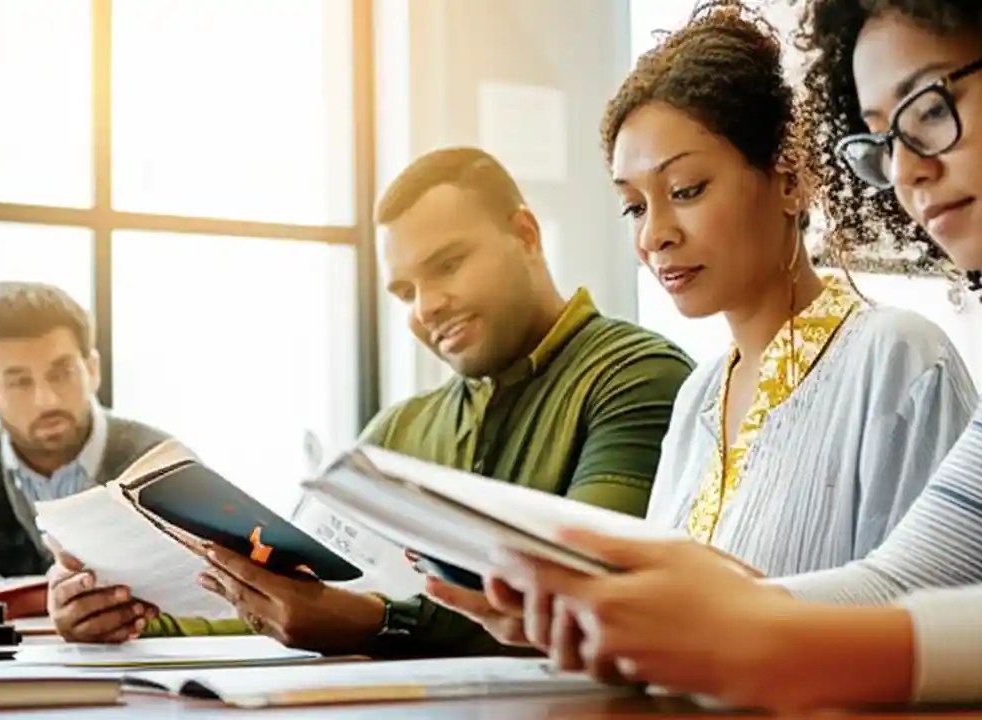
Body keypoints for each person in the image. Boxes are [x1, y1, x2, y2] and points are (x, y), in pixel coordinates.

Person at [482, 0, 982, 711]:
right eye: (882, 139)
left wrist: (766, 642)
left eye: (930, 108)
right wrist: (630, 612)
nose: (906, 169)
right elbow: (901, 580)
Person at [426, 0, 977, 645]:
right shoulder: (697, 398)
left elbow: (940, 623)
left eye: (686, 190)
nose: (655, 236)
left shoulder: (897, 358)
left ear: (791, 182)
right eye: (633, 207)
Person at [48, 147, 695, 655]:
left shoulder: (636, 376)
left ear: (526, 235)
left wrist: (380, 623)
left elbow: (584, 600)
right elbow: (296, 605)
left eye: (447, 265)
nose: (426, 306)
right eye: (405, 290)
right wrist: (123, 615)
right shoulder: (397, 432)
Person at [0, 282, 170, 609]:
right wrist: (52, 596)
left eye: (62, 372)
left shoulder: (159, 461)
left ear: (92, 369)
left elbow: (216, 588)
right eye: (19, 382)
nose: (46, 399)